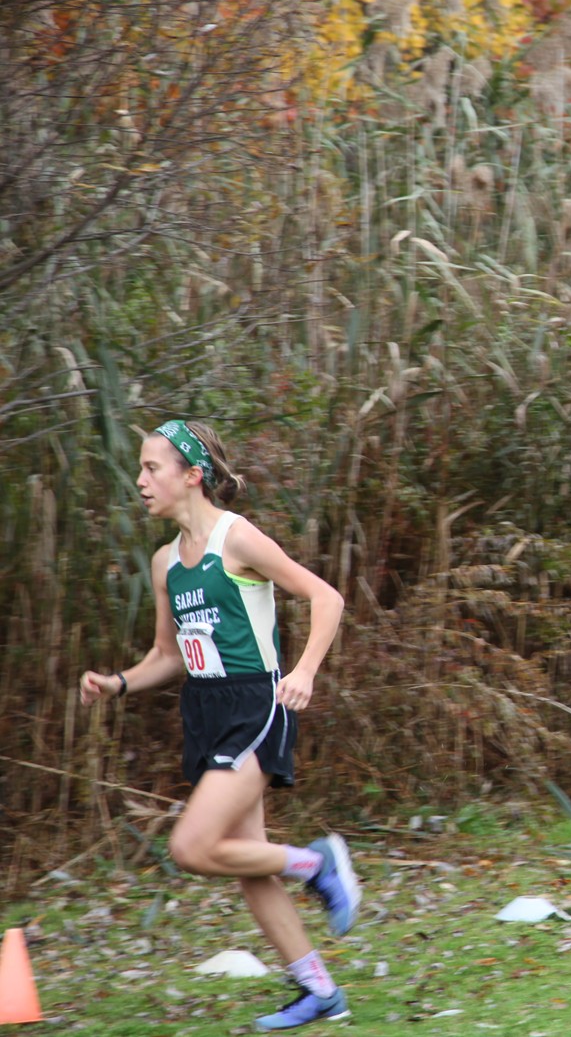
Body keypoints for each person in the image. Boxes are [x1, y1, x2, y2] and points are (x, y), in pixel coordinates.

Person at [79, 420, 360, 1030]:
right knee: (248, 862)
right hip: (205, 712)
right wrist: (118, 682)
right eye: (141, 468)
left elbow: (326, 598)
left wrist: (305, 671)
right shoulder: (165, 564)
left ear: (191, 475)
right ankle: (320, 991)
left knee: (192, 847)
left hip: (256, 705)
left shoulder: (237, 538)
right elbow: (169, 655)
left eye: (152, 468)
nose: (140, 480)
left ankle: (316, 864)